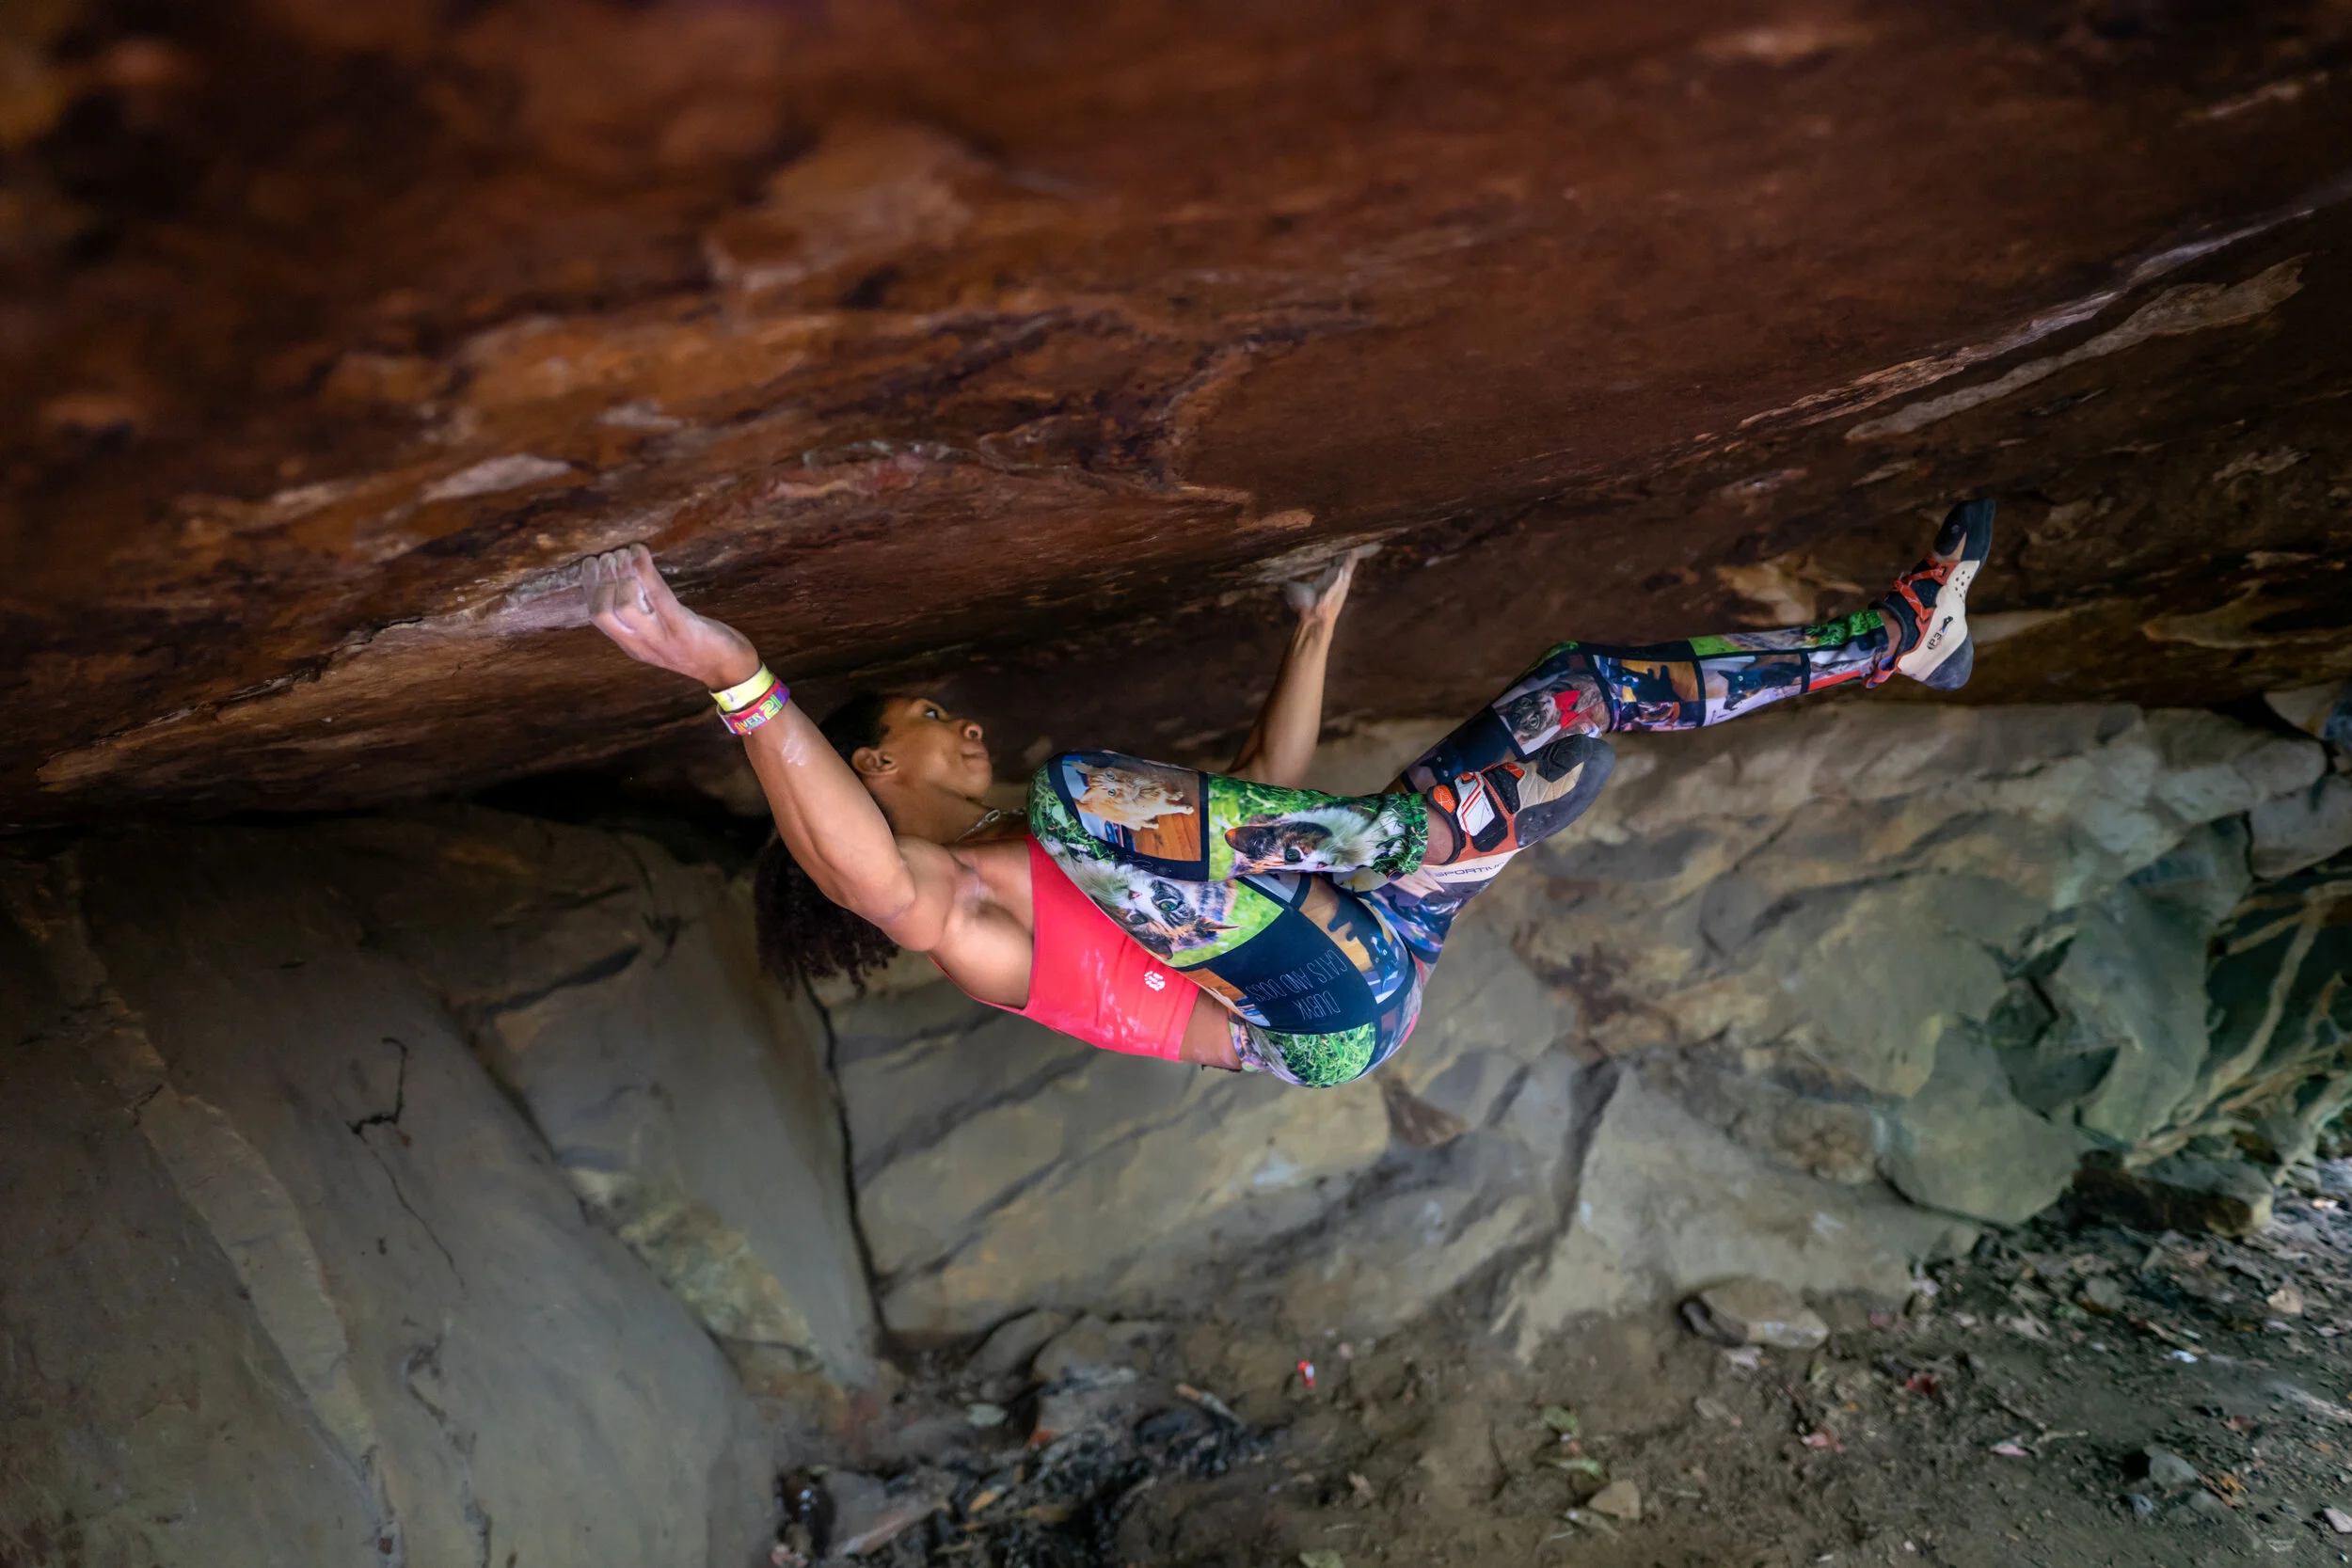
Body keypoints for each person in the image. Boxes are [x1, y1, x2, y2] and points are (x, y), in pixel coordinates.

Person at [587, 500, 1994, 1087]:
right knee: (1085, 792)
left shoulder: (1097, 847)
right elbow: (866, 876)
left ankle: (1901, 639)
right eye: (926, 720)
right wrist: (738, 675)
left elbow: (1264, 793)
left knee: (1572, 687)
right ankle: (1419, 835)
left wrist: (1313, 629)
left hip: (1361, 920)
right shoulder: (962, 902)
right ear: (869, 769)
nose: (963, 722)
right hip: (1320, 1013)